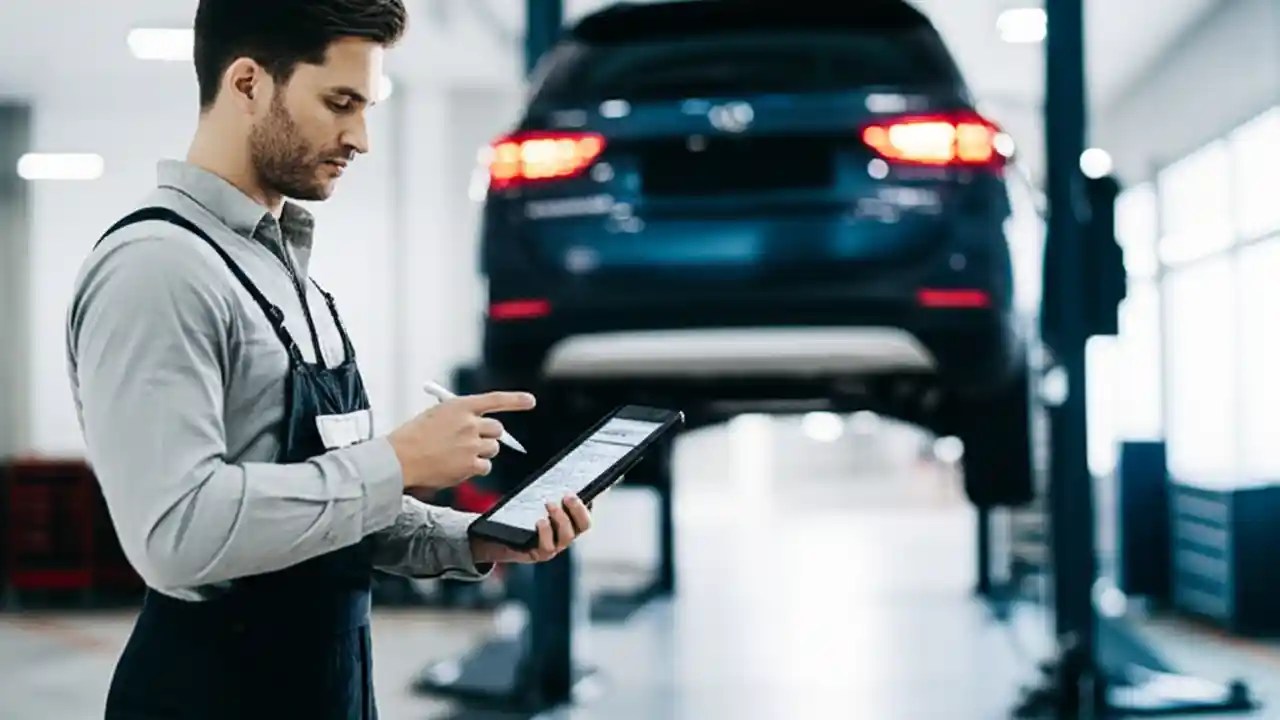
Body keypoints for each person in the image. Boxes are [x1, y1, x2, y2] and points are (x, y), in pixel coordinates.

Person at [64, 1, 592, 717]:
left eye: (367, 106)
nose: (361, 138)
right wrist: (399, 460)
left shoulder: (292, 277)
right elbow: (177, 534)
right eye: (340, 103)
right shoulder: (159, 269)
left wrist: (474, 537)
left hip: (326, 685)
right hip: (214, 695)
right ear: (248, 83)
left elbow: (328, 511)